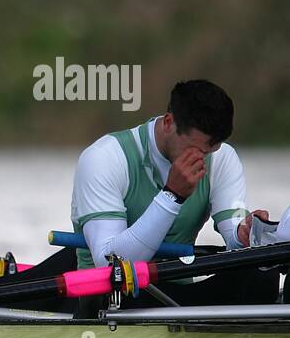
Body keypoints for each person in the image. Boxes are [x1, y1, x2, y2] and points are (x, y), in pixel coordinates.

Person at [70, 79, 278, 311]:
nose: (203, 158)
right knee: (120, 280)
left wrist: (243, 234)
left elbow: (233, 234)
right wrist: (172, 195)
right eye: (196, 149)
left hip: (174, 295)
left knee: (262, 274)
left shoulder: (222, 158)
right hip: (111, 298)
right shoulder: (104, 158)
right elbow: (110, 261)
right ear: (168, 123)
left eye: (212, 149)